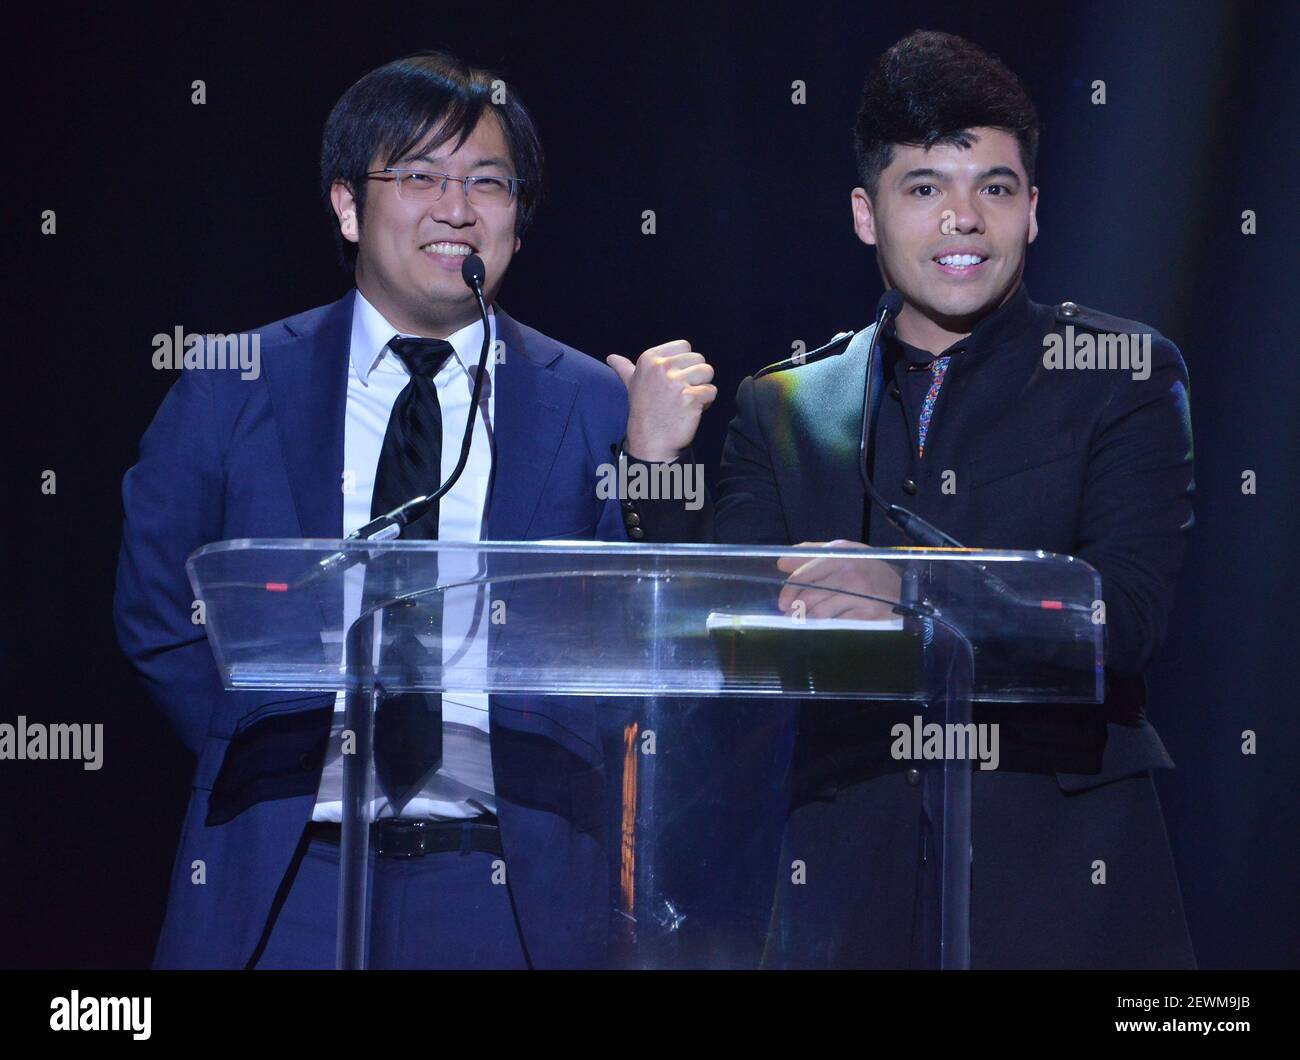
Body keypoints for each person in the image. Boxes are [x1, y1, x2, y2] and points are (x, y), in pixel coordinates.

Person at [609, 30, 1197, 968]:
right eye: (925, 188)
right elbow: (718, 623)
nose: (963, 218)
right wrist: (653, 464)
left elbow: (1118, 620)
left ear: (1033, 210)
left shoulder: (1120, 374)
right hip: (848, 885)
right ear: (865, 212)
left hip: (1063, 886)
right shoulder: (787, 403)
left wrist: (910, 589)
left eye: (994, 188)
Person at [114, 51, 648, 969]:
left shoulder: (593, 400)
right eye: (419, 176)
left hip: (505, 882)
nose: (457, 208)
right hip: (287, 874)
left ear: (518, 219)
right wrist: (273, 744)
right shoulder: (232, 382)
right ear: (348, 205)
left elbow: (627, 638)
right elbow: (159, 609)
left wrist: (655, 465)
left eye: (488, 182)